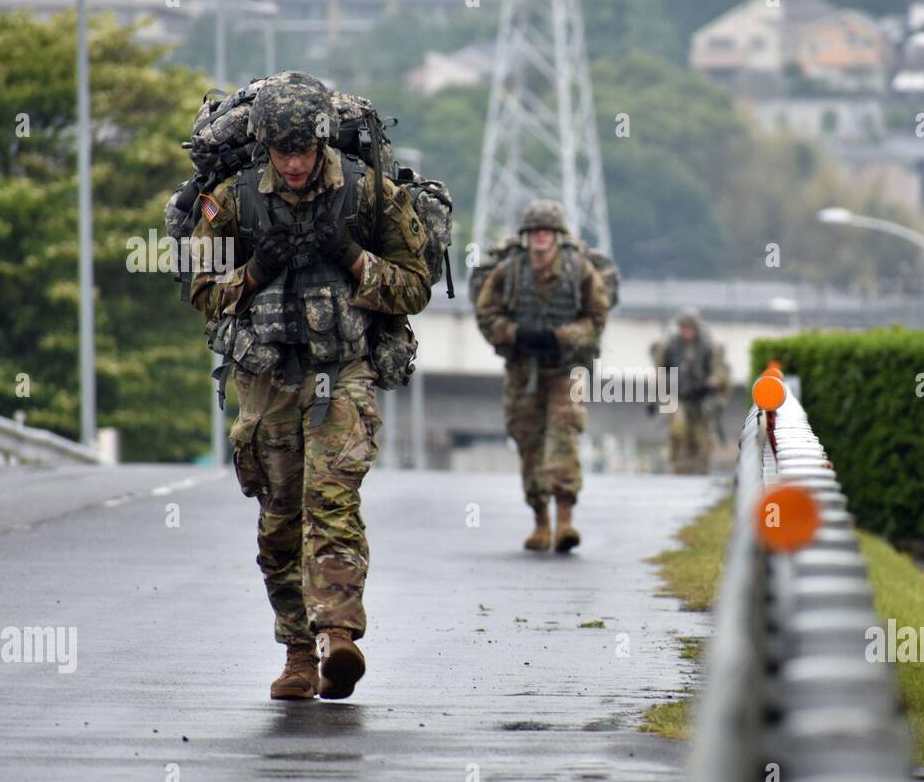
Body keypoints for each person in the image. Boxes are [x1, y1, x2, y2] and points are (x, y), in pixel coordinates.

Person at [188, 70, 433, 701]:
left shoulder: (367, 195)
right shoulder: (232, 200)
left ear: (322, 143)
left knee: (333, 502)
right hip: (266, 376)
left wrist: (354, 256)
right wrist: (256, 269)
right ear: (266, 146)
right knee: (279, 518)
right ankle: (298, 650)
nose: (294, 164)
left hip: (342, 371)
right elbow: (201, 293)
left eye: (304, 150)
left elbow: (415, 286)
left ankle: (340, 636)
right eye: (282, 151)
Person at [474, 200, 610, 552]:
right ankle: (541, 521)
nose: (540, 237)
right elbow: (486, 314)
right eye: (535, 231)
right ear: (526, 236)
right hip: (523, 371)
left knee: (563, 437)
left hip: (566, 370)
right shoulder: (509, 271)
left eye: (546, 231)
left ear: (557, 236)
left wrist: (562, 337)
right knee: (528, 442)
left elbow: (597, 318)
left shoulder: (578, 269)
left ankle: (565, 520)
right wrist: (514, 333)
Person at [652, 308, 729, 474]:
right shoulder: (671, 346)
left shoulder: (708, 347)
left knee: (701, 439)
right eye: (683, 328)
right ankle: (677, 467)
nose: (686, 332)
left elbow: (718, 372)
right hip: (678, 396)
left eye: (690, 328)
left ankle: (700, 472)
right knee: (678, 430)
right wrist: (654, 399)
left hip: (701, 397)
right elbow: (660, 372)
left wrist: (708, 386)